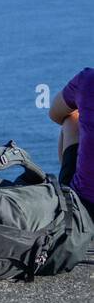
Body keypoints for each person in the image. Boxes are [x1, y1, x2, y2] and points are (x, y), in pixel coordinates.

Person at [49, 67, 94, 215]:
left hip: (85, 204)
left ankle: (65, 192)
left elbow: (55, 113)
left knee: (71, 118)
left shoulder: (88, 79)